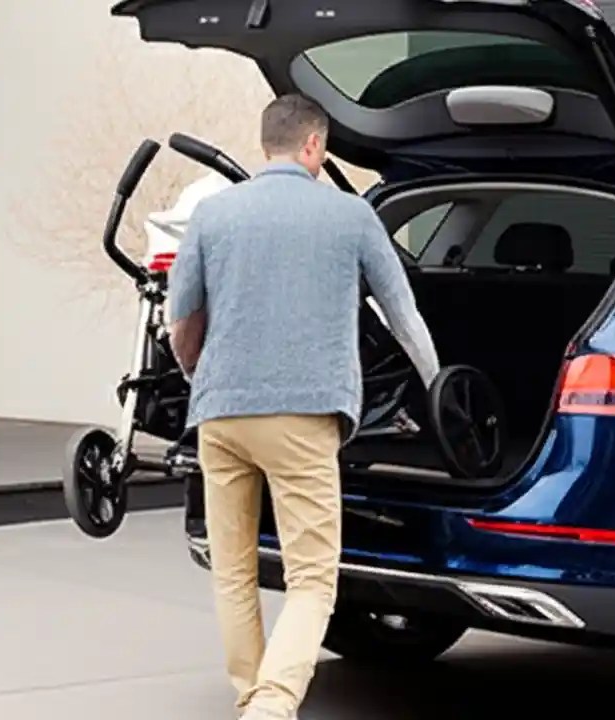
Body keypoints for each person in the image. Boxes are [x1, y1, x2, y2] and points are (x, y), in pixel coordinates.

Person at [164, 94, 440, 720]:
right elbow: (402, 315)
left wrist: (199, 378)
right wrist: (438, 385)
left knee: (232, 571)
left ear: (268, 145)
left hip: (220, 415)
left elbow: (181, 321)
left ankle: (250, 697)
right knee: (313, 579)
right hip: (304, 417)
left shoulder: (213, 214)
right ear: (315, 145)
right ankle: (273, 706)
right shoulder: (351, 216)